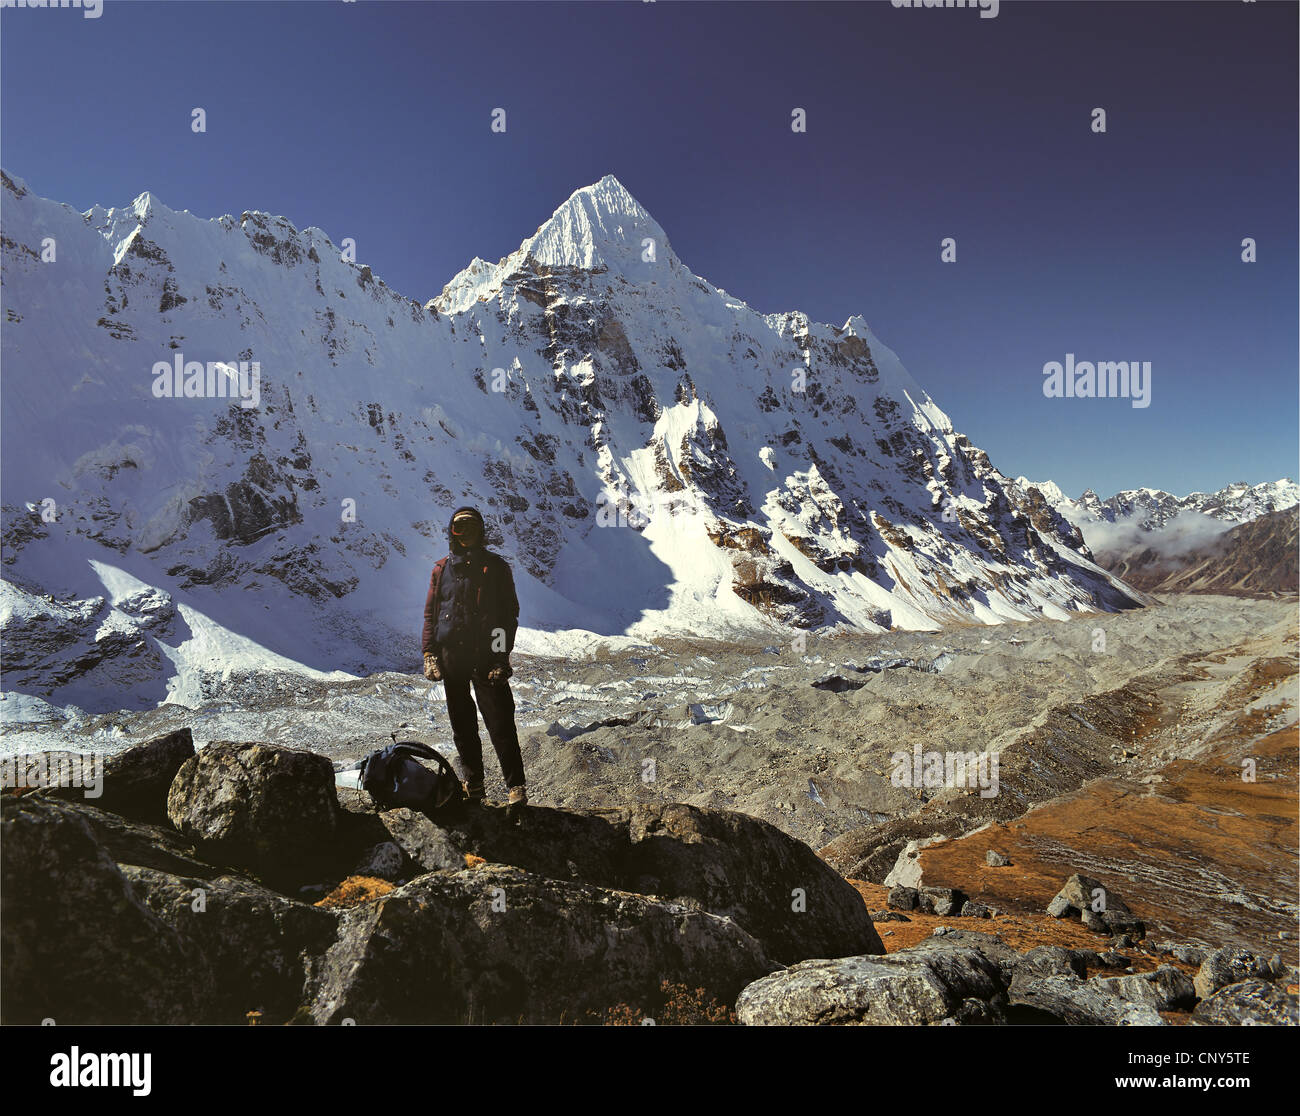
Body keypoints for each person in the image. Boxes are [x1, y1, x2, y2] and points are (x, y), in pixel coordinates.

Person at [421, 506, 527, 820]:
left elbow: (507, 616)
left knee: (500, 722)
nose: (465, 533)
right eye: (458, 527)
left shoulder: (496, 568)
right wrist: (429, 653)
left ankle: (516, 788)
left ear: (481, 531)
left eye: (470, 527)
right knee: (462, 725)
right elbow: (431, 614)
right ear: (451, 532)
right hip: (452, 655)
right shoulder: (441, 570)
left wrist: (500, 656)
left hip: (485, 658)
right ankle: (474, 785)